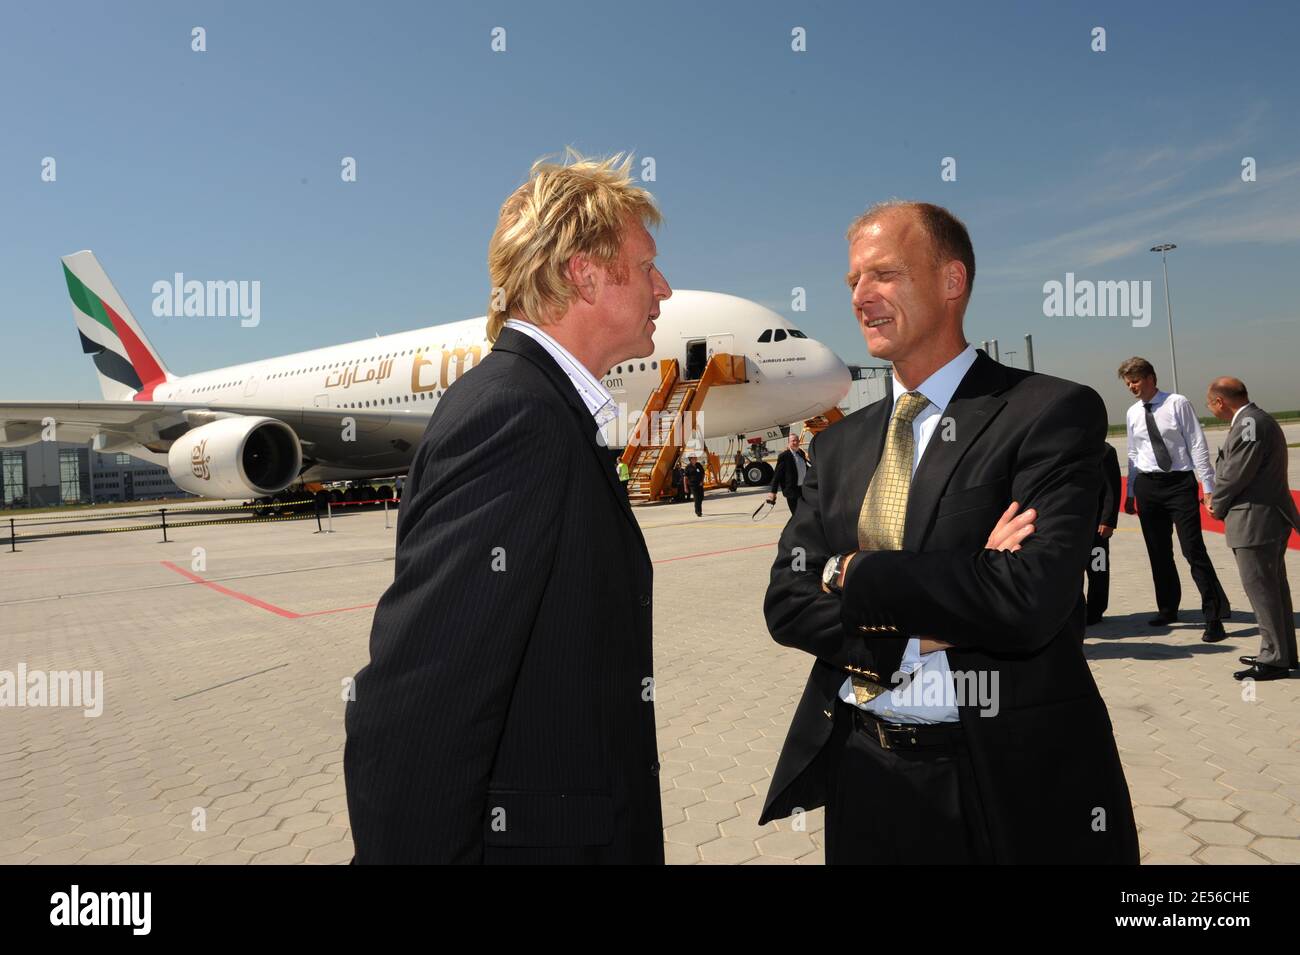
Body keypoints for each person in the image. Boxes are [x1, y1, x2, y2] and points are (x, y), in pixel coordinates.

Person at [759, 200, 1138, 864]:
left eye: (884, 274)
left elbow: (1027, 602)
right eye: (852, 281)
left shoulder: (1048, 413)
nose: (860, 296)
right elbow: (787, 602)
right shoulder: (842, 445)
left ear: (951, 280)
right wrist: (952, 595)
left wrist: (850, 573)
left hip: (1001, 782)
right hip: (863, 774)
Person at [344, 152, 672, 863]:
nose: (663, 287)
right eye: (646, 266)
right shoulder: (514, 417)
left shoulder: (544, 407)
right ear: (584, 274)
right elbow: (419, 705)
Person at [1119, 357, 1230, 641]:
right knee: (1158, 552)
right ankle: (1168, 609)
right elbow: (1133, 454)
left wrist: (1208, 488)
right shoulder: (1132, 413)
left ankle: (1214, 616)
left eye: (1136, 380)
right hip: (1147, 486)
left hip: (1179, 484)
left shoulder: (1177, 403)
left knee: (1193, 550)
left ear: (1151, 378)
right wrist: (1131, 492)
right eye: (1128, 382)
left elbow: (1197, 444)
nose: (1131, 386)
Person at [1207, 377, 1300, 681]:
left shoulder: (1249, 423)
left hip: (1254, 521)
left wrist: (1215, 504)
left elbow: (1235, 474)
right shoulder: (1257, 420)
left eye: (1210, 403)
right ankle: (1281, 652)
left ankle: (1273, 657)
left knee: (1261, 590)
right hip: (1265, 519)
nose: (1210, 408)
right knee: (1272, 589)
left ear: (1220, 401)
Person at [1086, 443, 1122, 625]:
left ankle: (1095, 610)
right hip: (1073, 523)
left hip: (1096, 525)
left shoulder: (1105, 451)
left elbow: (1112, 489)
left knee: (1097, 568)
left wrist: (1108, 520)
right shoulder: (1067, 448)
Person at [767, 433, 811, 514]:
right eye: (793, 441)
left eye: (797, 440)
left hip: (802, 490)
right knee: (796, 515)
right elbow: (777, 475)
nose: (795, 442)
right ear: (789, 443)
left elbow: (806, 467)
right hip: (791, 491)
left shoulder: (801, 453)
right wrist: (773, 492)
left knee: (804, 513)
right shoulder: (784, 456)